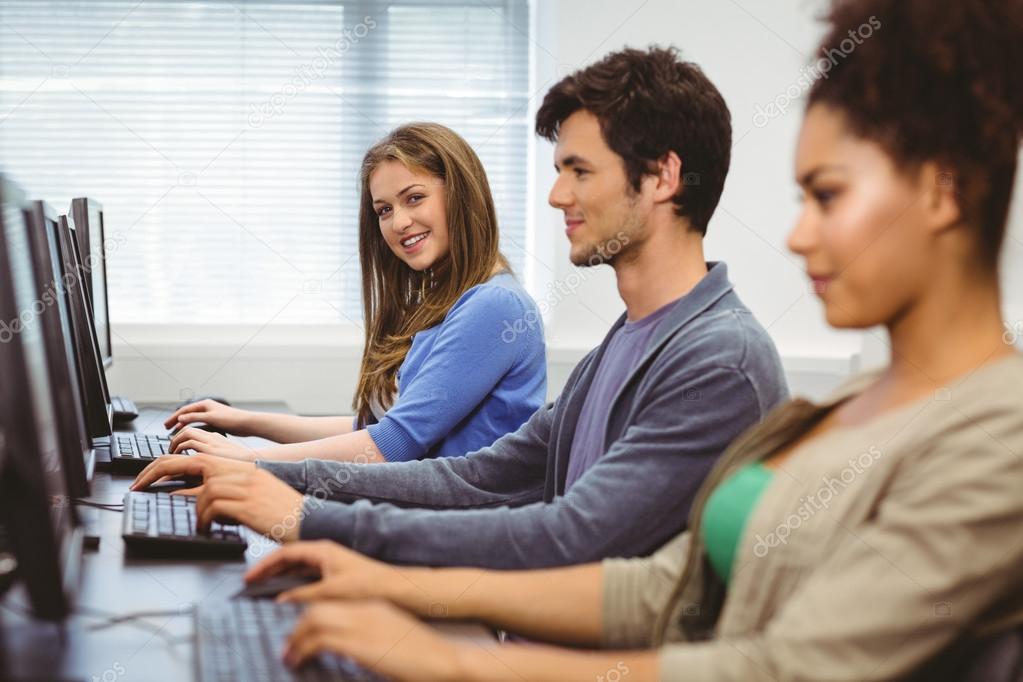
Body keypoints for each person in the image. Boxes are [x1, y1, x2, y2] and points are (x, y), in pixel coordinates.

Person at [238, 0, 1023, 679]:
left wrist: (452, 655)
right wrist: (367, 566)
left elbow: (778, 666)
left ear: (939, 189)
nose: (795, 234)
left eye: (827, 196)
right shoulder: (850, 400)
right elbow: (658, 589)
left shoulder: (992, 433)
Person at [133, 46, 788, 568]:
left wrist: (296, 508)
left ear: (663, 178)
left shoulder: (718, 363)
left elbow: (569, 539)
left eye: (578, 170)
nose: (556, 195)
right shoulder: (621, 347)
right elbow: (475, 479)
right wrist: (282, 485)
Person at [165, 122, 547, 464]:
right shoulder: (448, 302)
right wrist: (245, 423)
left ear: (461, 195)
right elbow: (371, 430)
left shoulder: (495, 306)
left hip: (458, 528)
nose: (398, 222)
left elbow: (393, 443)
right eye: (383, 210)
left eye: (414, 198)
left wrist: (248, 460)